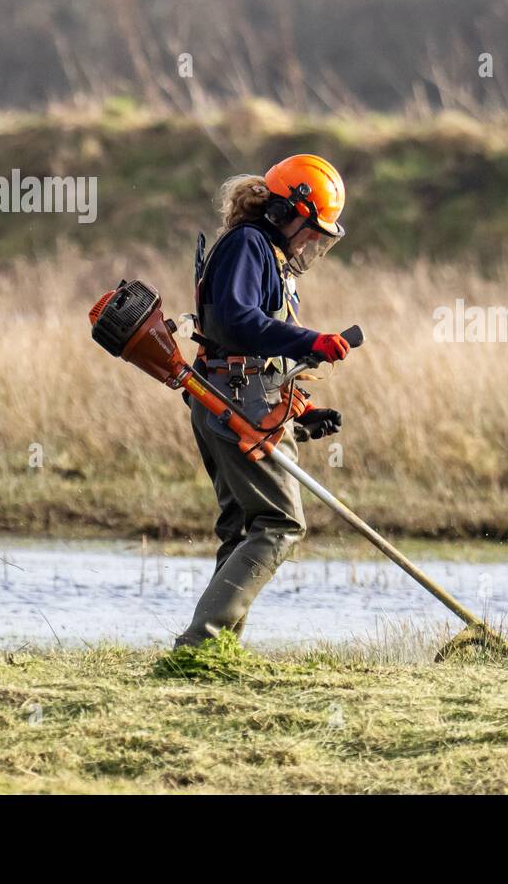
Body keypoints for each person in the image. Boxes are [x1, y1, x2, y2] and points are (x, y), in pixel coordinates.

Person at [174, 154, 352, 649]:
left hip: (233, 396)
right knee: (280, 523)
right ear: (286, 211)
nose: (314, 241)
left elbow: (255, 349)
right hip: (235, 401)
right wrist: (310, 341)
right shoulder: (250, 245)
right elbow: (235, 322)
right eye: (312, 229)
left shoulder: (260, 251)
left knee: (242, 529)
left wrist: (299, 412)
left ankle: (216, 650)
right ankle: (201, 645)